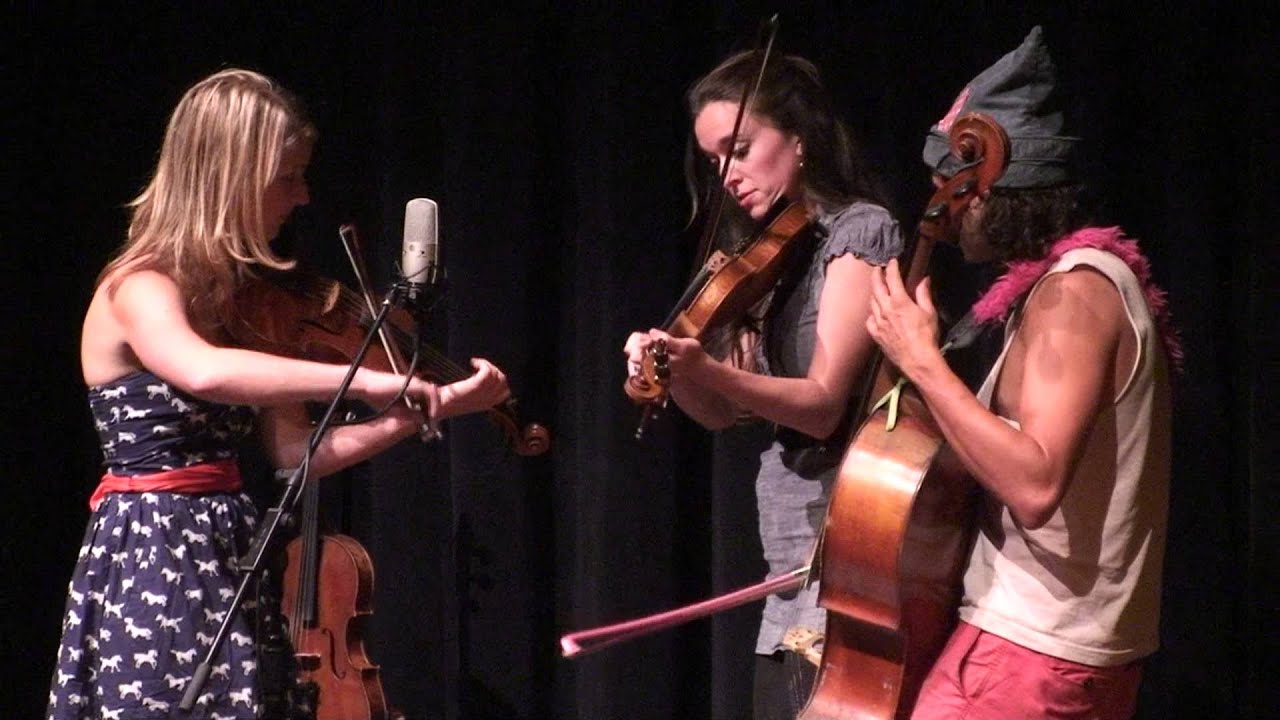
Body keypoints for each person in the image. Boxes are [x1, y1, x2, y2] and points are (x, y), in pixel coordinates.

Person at [46, 68, 510, 719]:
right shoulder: (140, 284)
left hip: (236, 553)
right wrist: (369, 379)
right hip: (155, 556)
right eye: (286, 177)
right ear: (230, 175)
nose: (301, 196)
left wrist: (420, 413)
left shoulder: (245, 304)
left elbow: (297, 452)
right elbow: (202, 371)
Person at [864, 28, 1178, 720]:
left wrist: (920, 359)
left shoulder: (1076, 293)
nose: (944, 215)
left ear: (988, 188)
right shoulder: (1065, 290)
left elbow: (1035, 484)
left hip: (1031, 653)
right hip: (1041, 649)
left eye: (951, 186)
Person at [624, 51, 903, 720]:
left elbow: (822, 402)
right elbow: (721, 410)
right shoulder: (770, 258)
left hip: (853, 542)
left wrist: (701, 366)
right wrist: (668, 371)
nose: (727, 175)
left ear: (800, 139)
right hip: (787, 554)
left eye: (741, 149)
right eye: (715, 159)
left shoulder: (858, 230)